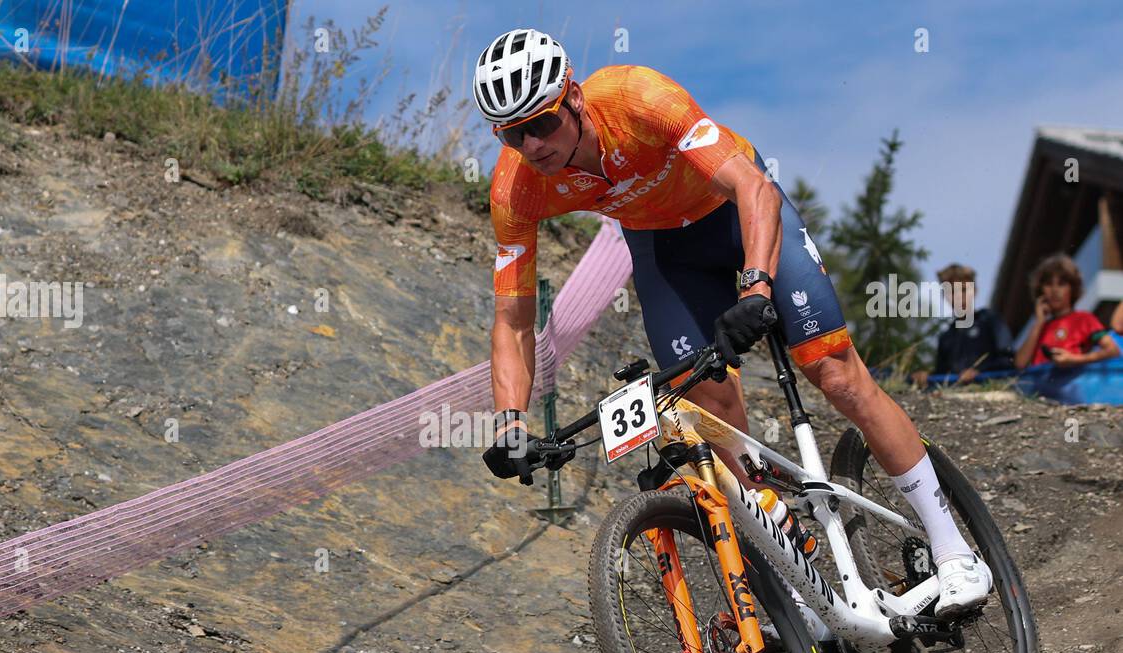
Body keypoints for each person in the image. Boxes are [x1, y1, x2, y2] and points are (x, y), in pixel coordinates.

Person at [473, 28, 991, 619]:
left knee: (834, 373)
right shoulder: (516, 188)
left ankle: (955, 554)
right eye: (512, 133)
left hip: (737, 213)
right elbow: (513, 317)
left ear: (573, 98)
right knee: (706, 408)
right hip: (666, 253)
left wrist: (756, 286)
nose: (531, 144)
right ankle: (794, 579)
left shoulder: (640, 98)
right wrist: (509, 422)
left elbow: (753, 188)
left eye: (540, 123)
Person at [910, 264, 1014, 387]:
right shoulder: (946, 337)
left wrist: (979, 372)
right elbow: (943, 375)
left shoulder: (990, 320)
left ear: (975, 290)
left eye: (964, 290)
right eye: (952, 292)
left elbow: (1009, 360)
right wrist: (927, 376)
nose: (959, 297)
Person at [1013, 254, 1120, 370]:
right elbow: (1020, 364)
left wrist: (1073, 359)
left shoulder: (1084, 319)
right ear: (1041, 290)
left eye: (1061, 284)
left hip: (1072, 386)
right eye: (1049, 284)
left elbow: (1113, 351)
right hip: (1040, 388)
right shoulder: (1039, 328)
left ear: (1072, 288)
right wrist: (1039, 322)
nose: (1055, 290)